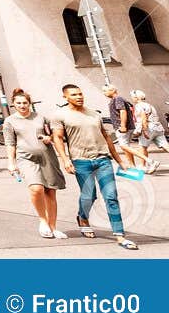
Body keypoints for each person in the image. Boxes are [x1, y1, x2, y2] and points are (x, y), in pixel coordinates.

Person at [51, 83, 139, 250]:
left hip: (103, 160)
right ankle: (82, 218)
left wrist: (120, 161)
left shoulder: (94, 114)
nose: (79, 97)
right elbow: (57, 138)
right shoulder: (59, 115)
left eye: (80, 94)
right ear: (66, 97)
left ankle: (120, 236)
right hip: (80, 161)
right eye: (74, 94)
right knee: (89, 196)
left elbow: (106, 137)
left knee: (111, 197)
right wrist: (65, 160)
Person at [2, 89, 65, 239]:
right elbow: (10, 143)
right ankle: (43, 220)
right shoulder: (9, 121)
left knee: (50, 191)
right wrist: (11, 162)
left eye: (25, 103)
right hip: (26, 158)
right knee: (36, 189)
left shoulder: (41, 118)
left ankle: (53, 227)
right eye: (19, 103)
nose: (22, 105)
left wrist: (48, 137)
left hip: (47, 156)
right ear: (14, 104)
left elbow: (55, 134)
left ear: (29, 103)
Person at [103, 85, 148, 171]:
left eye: (105, 91)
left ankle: (148, 160)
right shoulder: (118, 99)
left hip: (123, 127)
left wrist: (123, 126)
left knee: (124, 146)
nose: (104, 93)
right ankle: (132, 166)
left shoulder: (118, 99)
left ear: (112, 90)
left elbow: (123, 111)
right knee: (126, 147)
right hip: (126, 127)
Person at [131, 90, 169, 160]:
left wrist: (144, 130)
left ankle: (143, 166)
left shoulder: (139, 106)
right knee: (165, 146)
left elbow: (143, 118)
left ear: (137, 98)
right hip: (158, 127)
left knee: (142, 147)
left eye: (133, 97)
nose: (132, 98)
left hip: (148, 128)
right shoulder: (150, 105)